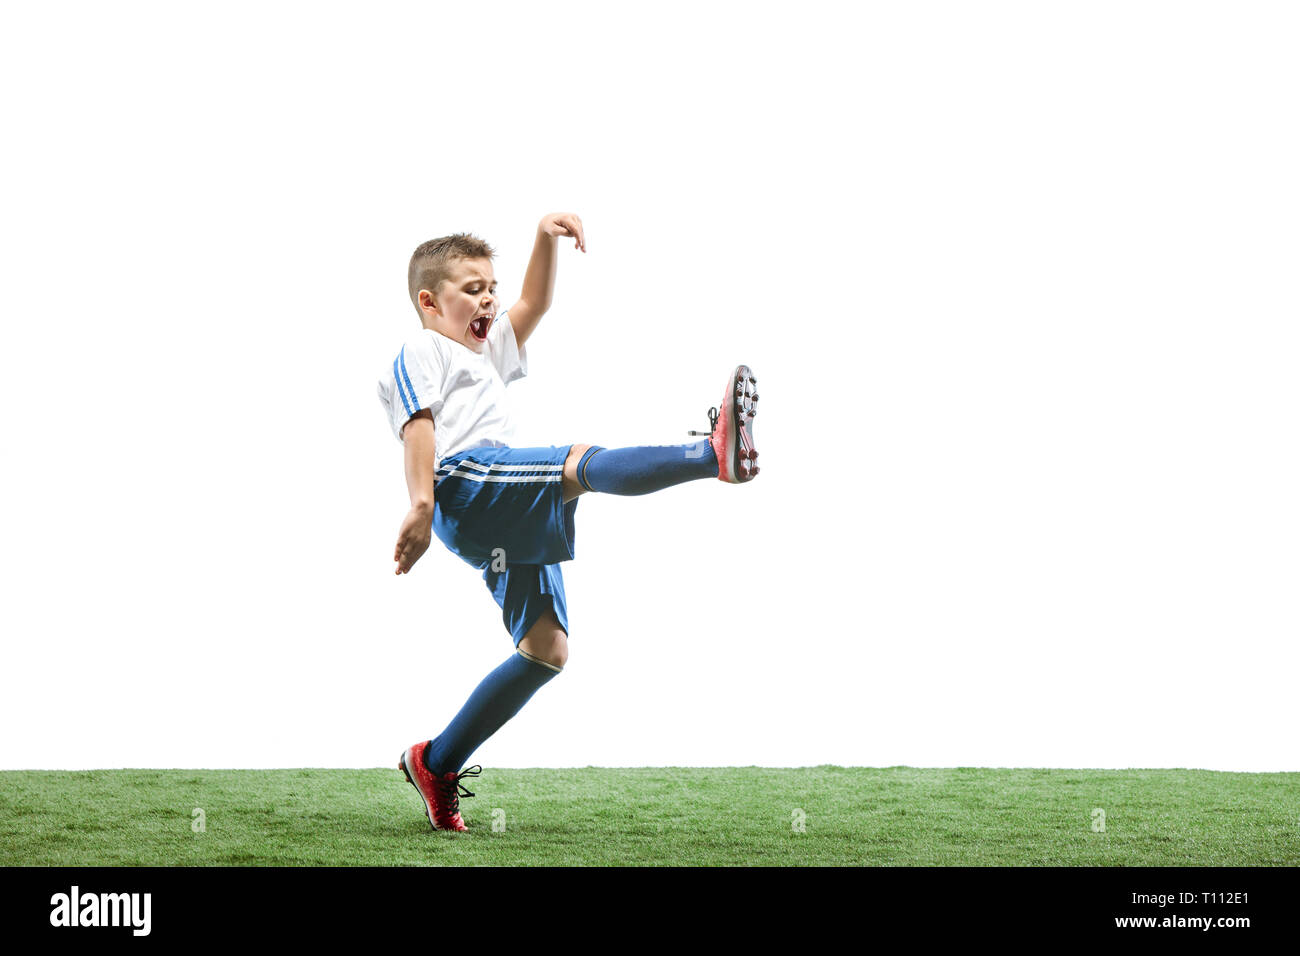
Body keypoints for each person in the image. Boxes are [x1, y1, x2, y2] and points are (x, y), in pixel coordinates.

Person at [377, 213, 759, 831]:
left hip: (499, 511)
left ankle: (437, 763)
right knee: (576, 466)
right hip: (467, 483)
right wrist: (420, 506)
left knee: (546, 650)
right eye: (472, 289)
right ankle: (709, 455)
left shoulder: (486, 350)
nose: (489, 299)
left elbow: (534, 301)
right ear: (429, 300)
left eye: (489, 287)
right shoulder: (422, 350)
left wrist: (542, 236)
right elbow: (417, 426)